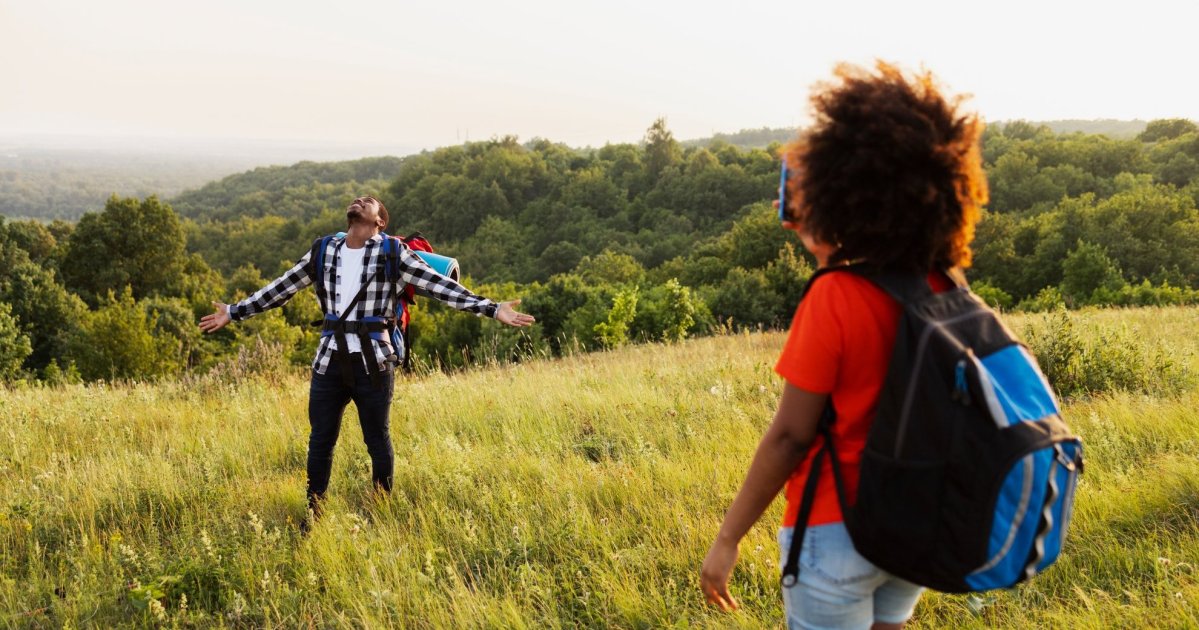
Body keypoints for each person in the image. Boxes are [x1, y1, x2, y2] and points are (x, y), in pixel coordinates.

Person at [700, 62, 988, 629]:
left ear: (845, 196)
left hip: (834, 532)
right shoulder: (945, 283)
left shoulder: (835, 297)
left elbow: (788, 437)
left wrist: (727, 540)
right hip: (912, 523)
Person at [198, 195, 535, 524]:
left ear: (380, 221)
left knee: (377, 439)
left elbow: (441, 287)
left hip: (375, 362)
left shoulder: (393, 253)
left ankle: (382, 507)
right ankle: (313, 514)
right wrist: (234, 311)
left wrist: (492, 308)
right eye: (357, 199)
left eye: (368, 201)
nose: (359, 201)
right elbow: (281, 288)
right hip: (329, 361)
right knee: (320, 441)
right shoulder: (324, 250)